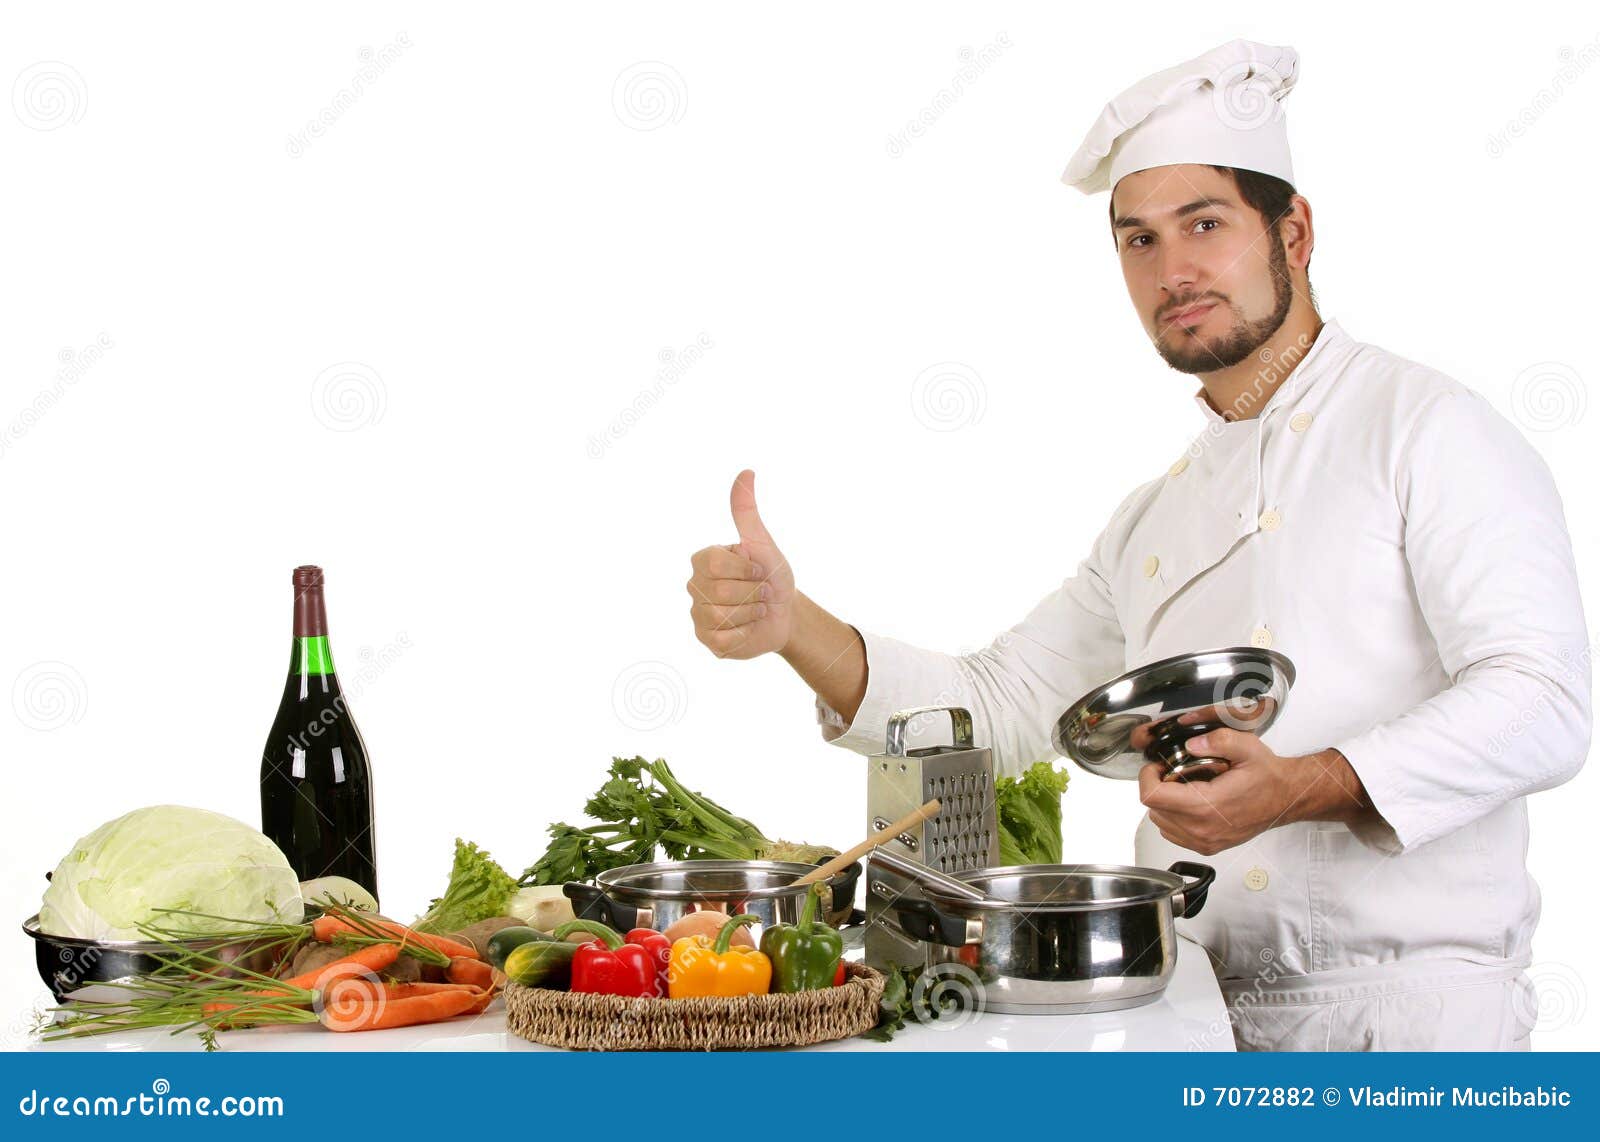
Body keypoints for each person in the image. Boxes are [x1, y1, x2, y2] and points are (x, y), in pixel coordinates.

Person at [684, 39, 1591, 1051]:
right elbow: (994, 705)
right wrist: (787, 623)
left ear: (1293, 232)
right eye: (1138, 240)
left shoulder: (1428, 429)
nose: (1174, 270)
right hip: (1187, 1006)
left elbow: (1544, 700)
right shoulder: (1150, 519)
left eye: (1204, 224)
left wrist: (1305, 781)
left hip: (1411, 1020)